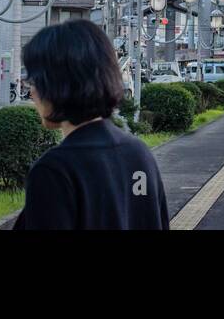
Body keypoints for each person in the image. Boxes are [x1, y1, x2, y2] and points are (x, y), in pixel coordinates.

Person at [13, 20, 169, 230]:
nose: (31, 92)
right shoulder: (139, 154)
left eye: (33, 81)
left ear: (57, 84)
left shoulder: (55, 171)